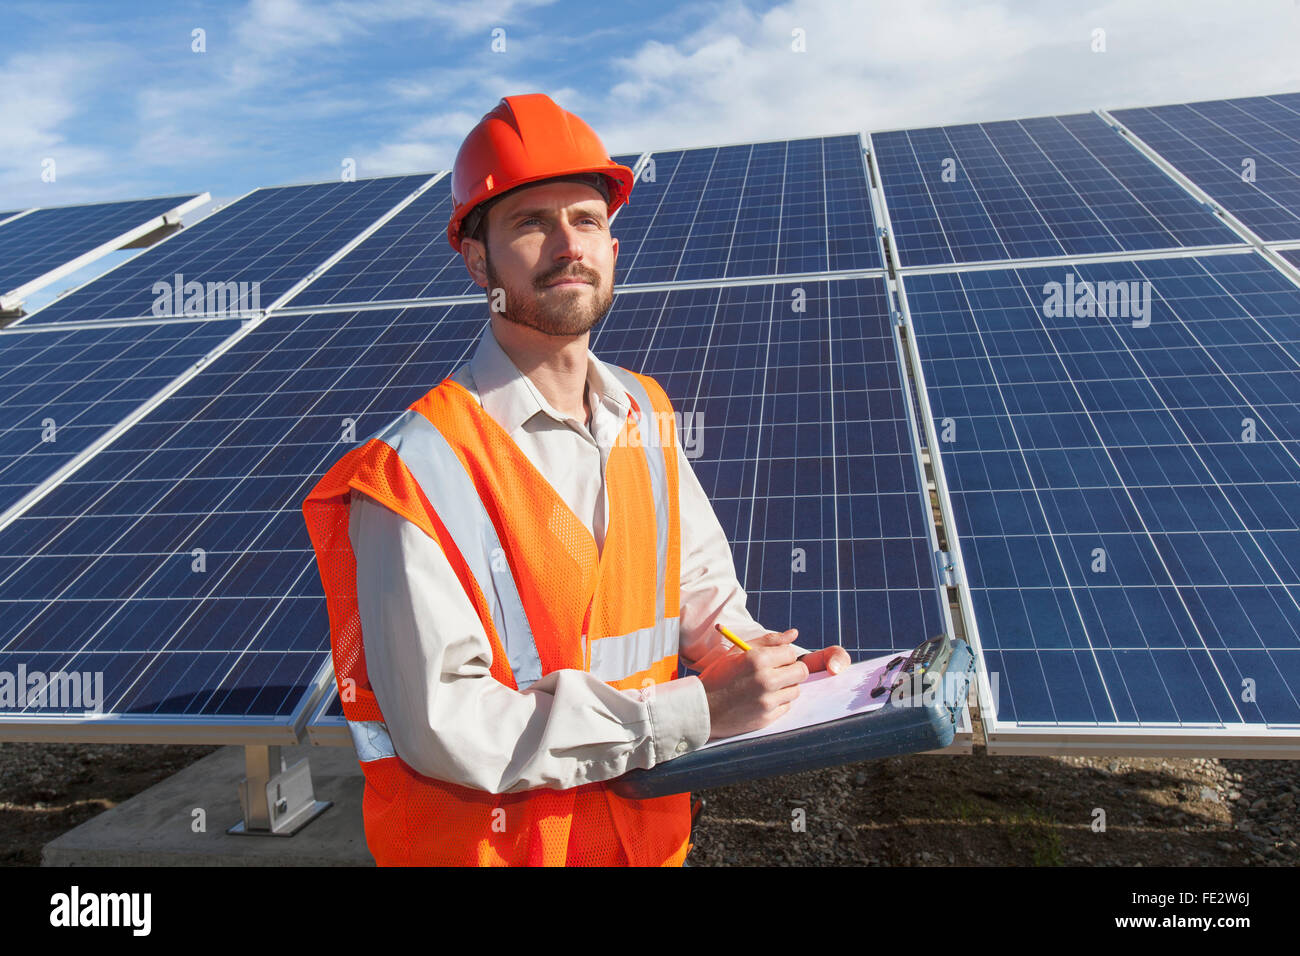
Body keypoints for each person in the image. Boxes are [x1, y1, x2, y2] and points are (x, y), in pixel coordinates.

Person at [303, 93, 850, 866]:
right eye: (531, 222)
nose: (568, 245)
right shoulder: (411, 472)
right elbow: (446, 725)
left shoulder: (645, 411)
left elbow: (699, 595)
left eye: (587, 219)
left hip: (647, 846)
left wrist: (768, 666)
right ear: (476, 259)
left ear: (613, 246)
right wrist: (690, 712)